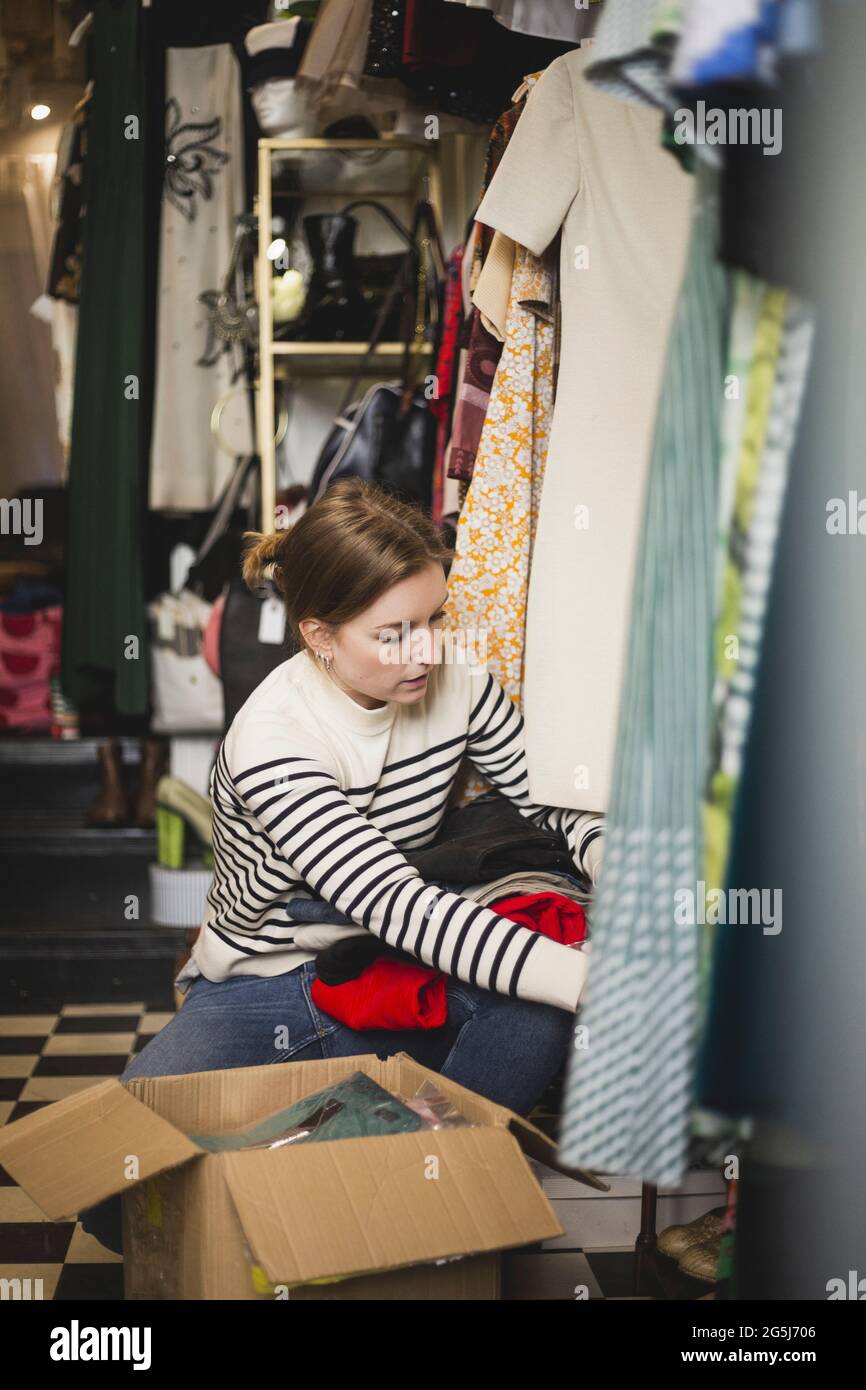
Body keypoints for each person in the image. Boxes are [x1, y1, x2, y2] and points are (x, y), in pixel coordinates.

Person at [80, 478, 602, 1253]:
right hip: (265, 985)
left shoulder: (455, 678)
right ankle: (363, 1161)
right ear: (320, 635)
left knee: (531, 1007)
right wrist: (603, 985)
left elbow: (550, 804)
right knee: (108, 1185)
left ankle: (417, 1203)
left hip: (388, 968)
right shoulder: (274, 741)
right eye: (393, 633)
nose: (426, 651)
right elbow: (399, 902)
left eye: (435, 619)